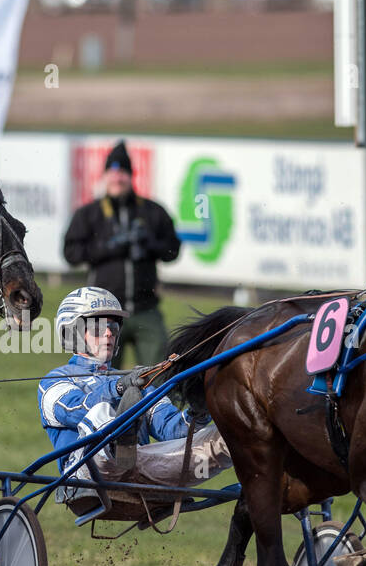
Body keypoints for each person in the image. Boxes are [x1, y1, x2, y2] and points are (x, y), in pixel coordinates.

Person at [38, 287, 229, 494]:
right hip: (85, 473)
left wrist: (199, 411)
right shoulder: (54, 381)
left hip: (146, 469)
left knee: (225, 435)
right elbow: (76, 409)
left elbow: (173, 431)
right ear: (72, 332)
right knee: (100, 412)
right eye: (99, 326)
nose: (109, 332)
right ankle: (120, 444)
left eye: (113, 326)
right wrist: (120, 388)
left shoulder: (136, 382)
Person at [63, 140, 181, 367]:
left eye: (123, 173)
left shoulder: (152, 211)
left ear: (131, 176)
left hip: (145, 309)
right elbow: (71, 252)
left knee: (159, 375)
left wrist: (150, 244)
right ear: (105, 176)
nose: (117, 178)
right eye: (113, 173)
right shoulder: (90, 214)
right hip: (104, 311)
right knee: (101, 377)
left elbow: (172, 250)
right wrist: (107, 247)